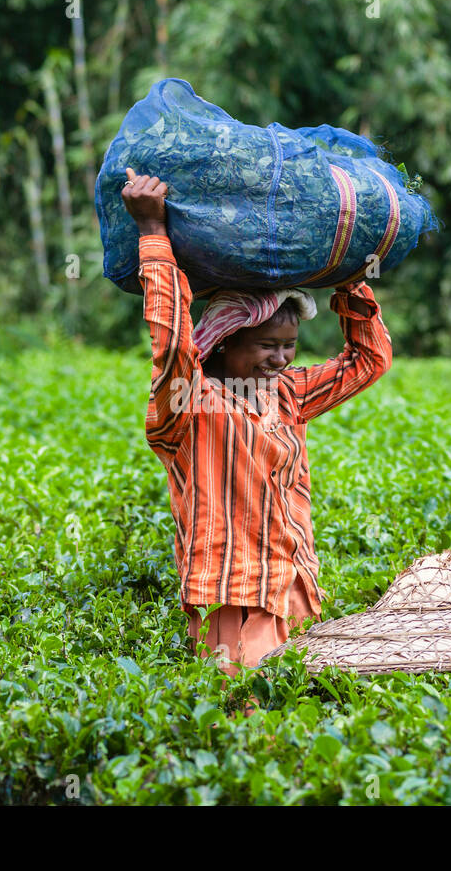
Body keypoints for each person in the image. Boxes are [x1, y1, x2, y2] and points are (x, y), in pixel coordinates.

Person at [121, 166, 393, 683]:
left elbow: (368, 361)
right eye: (267, 345)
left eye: (288, 346)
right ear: (224, 340)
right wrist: (153, 236)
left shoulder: (288, 395)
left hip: (295, 590)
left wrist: (351, 279)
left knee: (297, 716)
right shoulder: (188, 402)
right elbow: (172, 346)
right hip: (233, 597)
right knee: (246, 718)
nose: (280, 359)